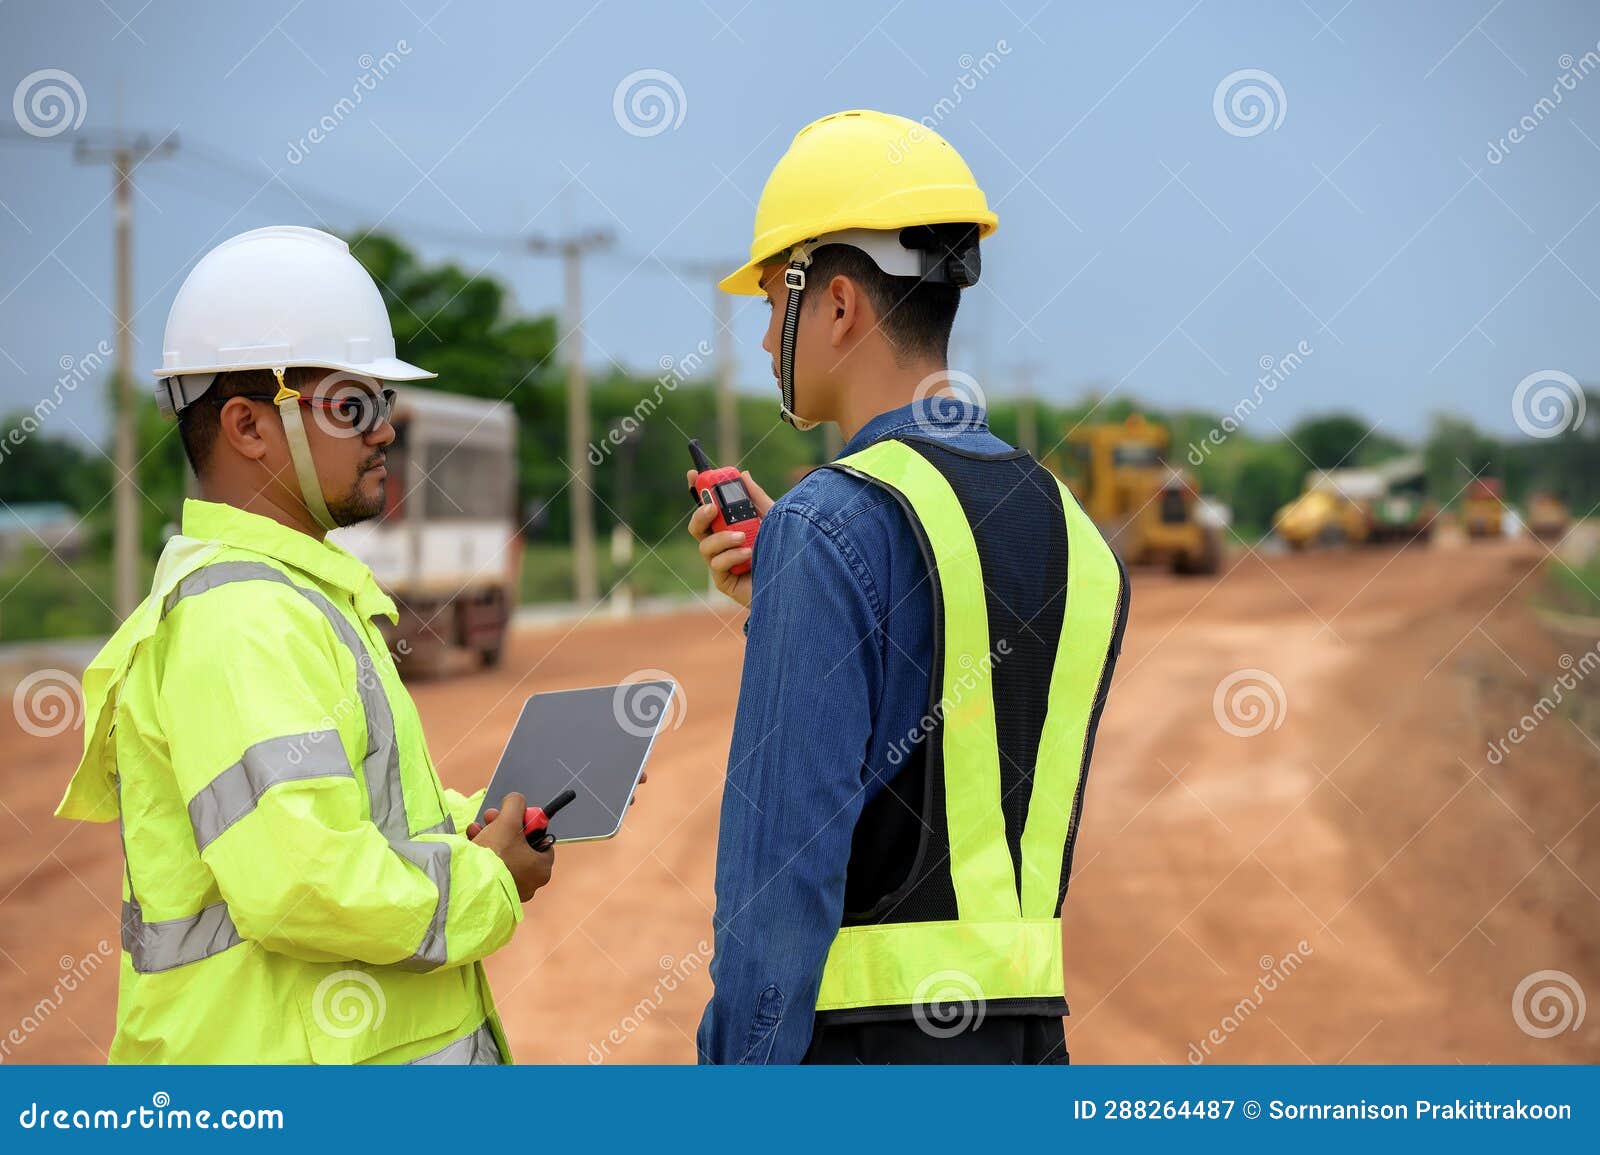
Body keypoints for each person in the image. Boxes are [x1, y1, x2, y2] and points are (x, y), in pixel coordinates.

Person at [689, 111, 1130, 1064]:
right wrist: (796, 604)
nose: (766, 338)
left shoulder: (829, 522)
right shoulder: (1075, 531)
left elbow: (778, 893)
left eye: (772, 301)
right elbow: (954, 732)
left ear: (838, 304)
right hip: (1027, 1054)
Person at [55, 225, 552, 1064]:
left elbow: (348, 818)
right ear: (248, 425)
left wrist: (479, 822)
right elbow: (305, 885)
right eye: (354, 404)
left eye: (384, 403)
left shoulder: (297, 596)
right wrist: (488, 883)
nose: (386, 430)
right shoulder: (241, 619)